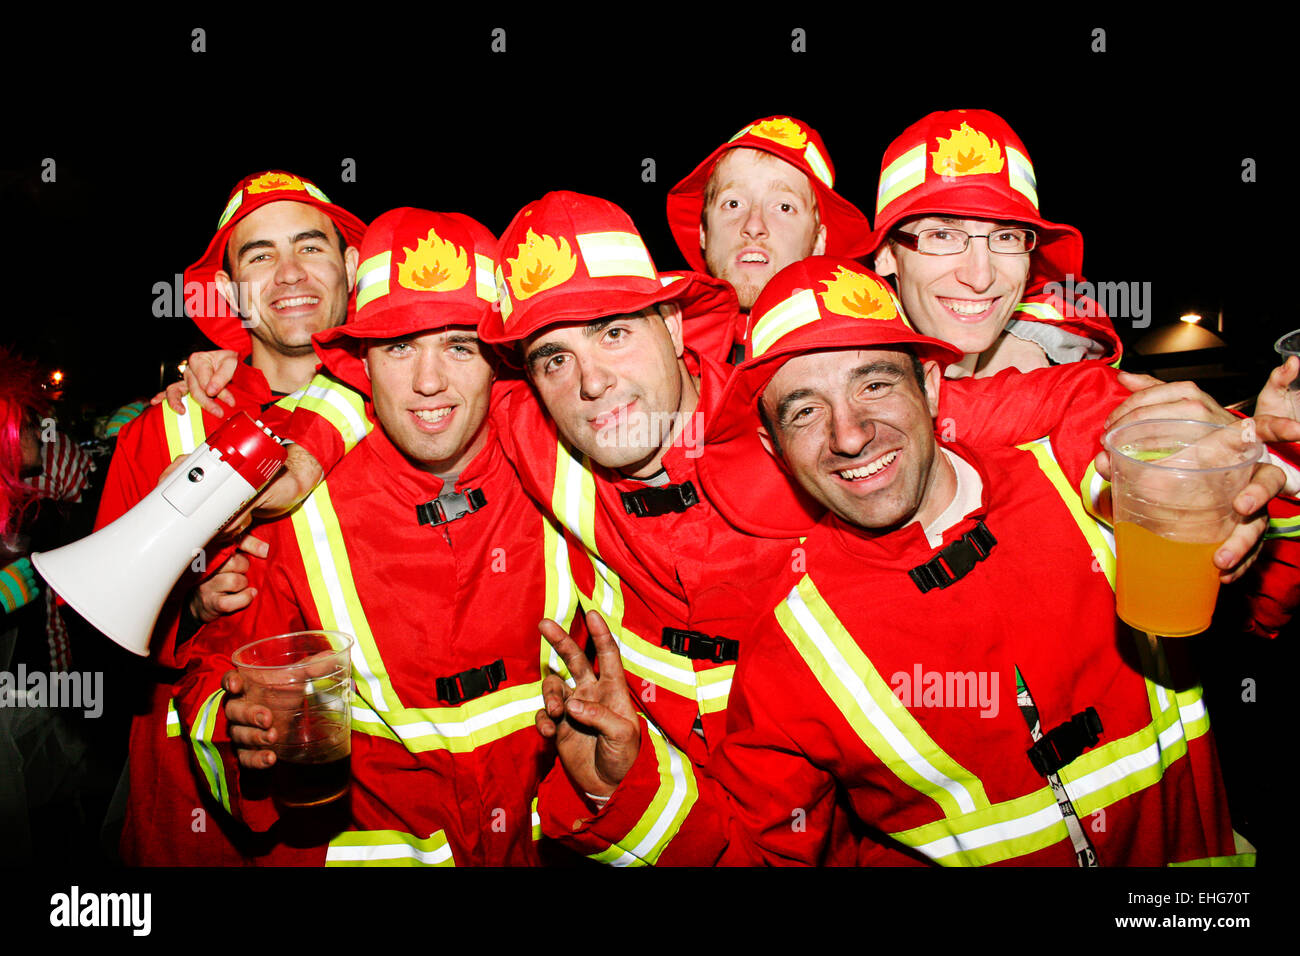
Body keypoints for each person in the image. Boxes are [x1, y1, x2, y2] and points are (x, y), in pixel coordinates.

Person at [536, 256, 1283, 866]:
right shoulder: (793, 647)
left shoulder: (1089, 486)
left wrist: (1279, 464)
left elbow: (1264, 596)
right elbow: (766, 858)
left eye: (875, 382)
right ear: (773, 449)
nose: (850, 434)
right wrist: (623, 789)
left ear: (931, 385)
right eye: (802, 410)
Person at [173, 207, 579, 865]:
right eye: (398, 347)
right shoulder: (292, 505)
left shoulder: (563, 474)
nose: (427, 383)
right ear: (360, 362)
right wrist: (236, 726)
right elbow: (207, 678)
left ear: (498, 361)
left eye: (459, 345)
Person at [93, 170, 366, 865]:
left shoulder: (410, 414)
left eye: (311, 247)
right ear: (232, 293)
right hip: (202, 835)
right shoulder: (164, 430)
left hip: (375, 825)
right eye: (259, 255)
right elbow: (92, 640)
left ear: (351, 267)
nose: (290, 273)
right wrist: (186, 600)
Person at [868, 108, 1120, 378]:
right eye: (942, 236)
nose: (980, 278)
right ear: (886, 254)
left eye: (1006, 237)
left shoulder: (1063, 374)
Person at [666, 115, 874, 359]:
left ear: (818, 241)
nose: (754, 225)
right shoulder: (660, 351)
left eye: (784, 207)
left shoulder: (863, 358)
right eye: (733, 203)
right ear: (704, 231)